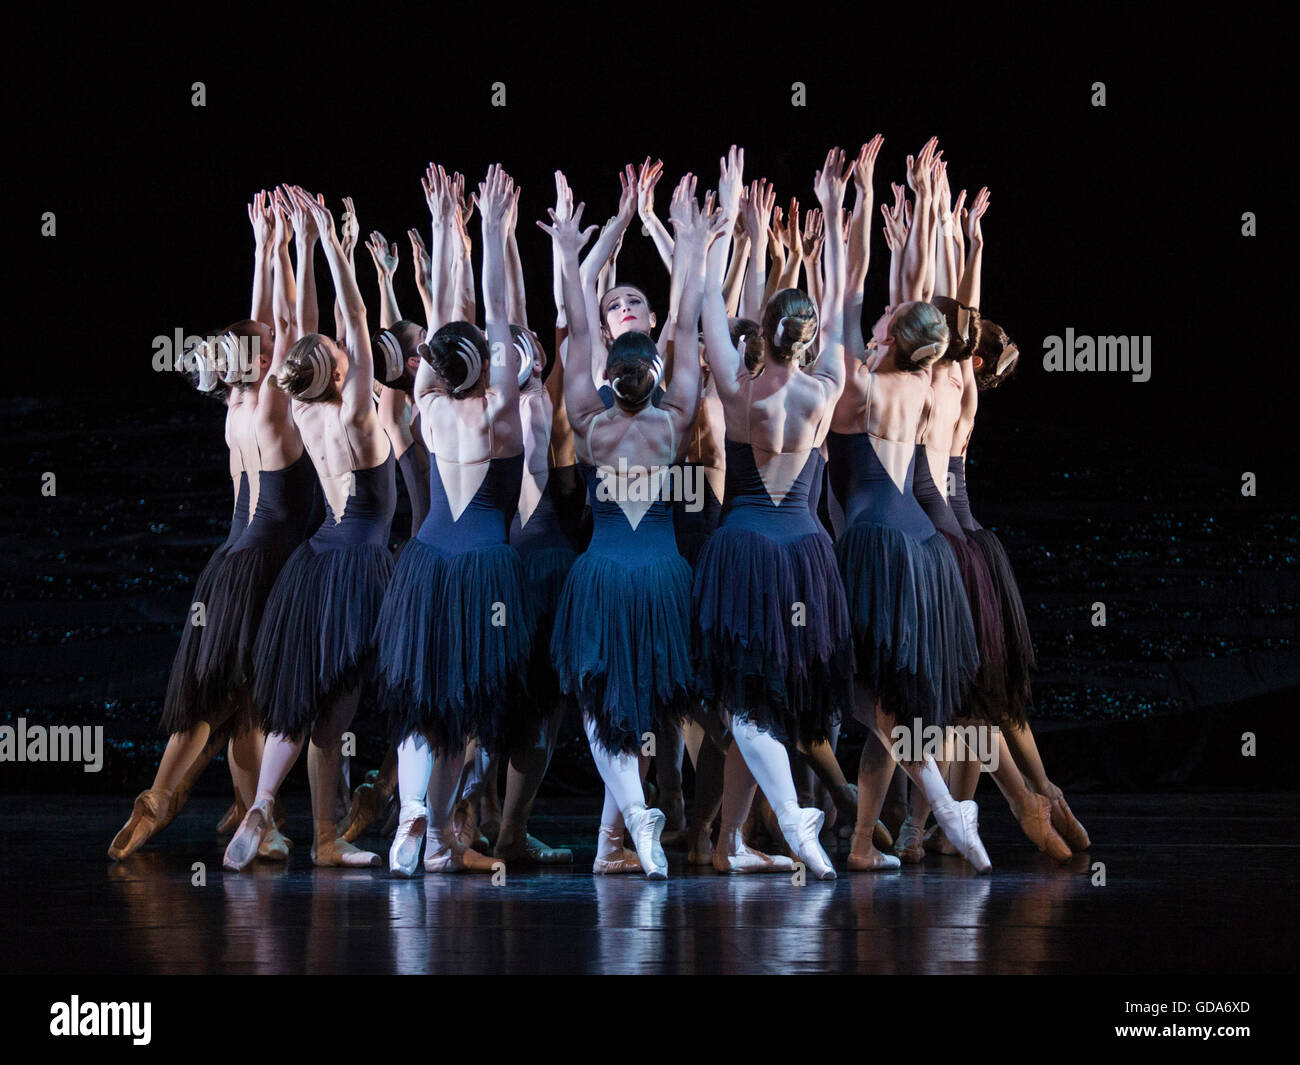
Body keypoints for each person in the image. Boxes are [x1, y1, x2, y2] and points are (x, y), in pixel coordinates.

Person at [544, 174, 723, 879]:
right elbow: (684, 322)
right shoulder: (675, 413)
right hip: (663, 573)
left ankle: (636, 818)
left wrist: (585, 241)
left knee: (602, 700)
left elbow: (585, 319)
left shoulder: (589, 416)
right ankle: (622, 833)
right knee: (642, 699)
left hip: (604, 571)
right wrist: (688, 244)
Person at [826, 138, 990, 873]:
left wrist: (845, 208)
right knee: (888, 707)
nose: (879, 318)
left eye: (886, 321)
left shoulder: (857, 388)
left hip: (873, 546)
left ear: (889, 335)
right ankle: (863, 841)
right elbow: (918, 297)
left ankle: (948, 809)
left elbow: (845, 294)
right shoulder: (927, 380)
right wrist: (927, 212)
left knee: (877, 703)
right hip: (923, 545)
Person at [223, 185, 395, 872]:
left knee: (303, 695)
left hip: (315, 559)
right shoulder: (356, 413)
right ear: (340, 370)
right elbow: (347, 318)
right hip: (358, 563)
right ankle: (334, 833)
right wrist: (331, 245)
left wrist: (286, 243)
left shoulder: (301, 404)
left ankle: (264, 803)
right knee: (337, 708)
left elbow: (299, 326)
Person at [373, 164, 532, 877]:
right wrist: (494, 237)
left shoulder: (429, 408)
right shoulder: (508, 414)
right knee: (462, 713)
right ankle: (435, 828)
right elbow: (494, 321)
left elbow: (442, 327)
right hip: (484, 571)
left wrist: (446, 224)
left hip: (428, 564)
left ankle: (419, 821)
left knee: (421, 705)